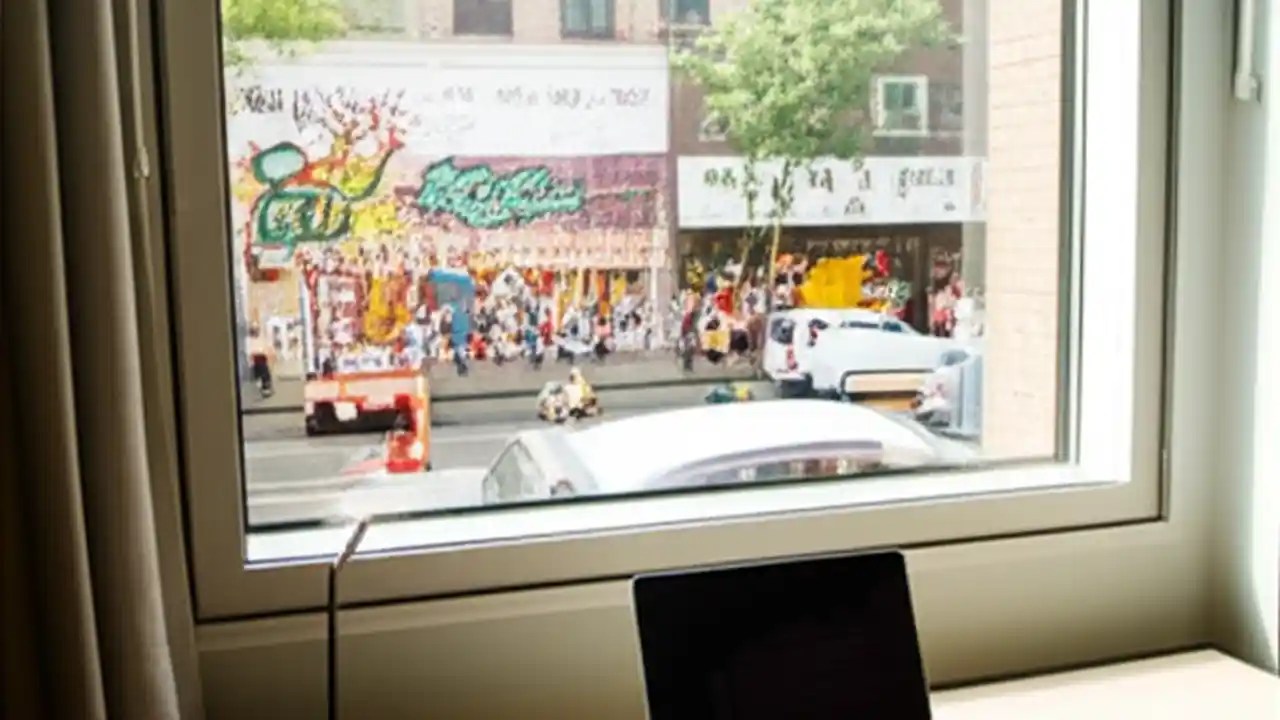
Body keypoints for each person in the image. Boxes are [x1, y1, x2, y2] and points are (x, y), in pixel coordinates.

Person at [245, 323, 274, 398]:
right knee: (262, 375)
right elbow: (251, 352)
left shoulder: (258, 339)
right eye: (255, 329)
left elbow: (264, 349)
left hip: (261, 359)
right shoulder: (249, 340)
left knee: (265, 376)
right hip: (257, 360)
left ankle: (265, 389)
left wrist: (266, 353)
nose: (257, 331)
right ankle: (264, 389)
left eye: (257, 329)